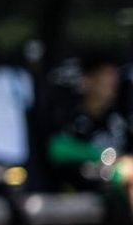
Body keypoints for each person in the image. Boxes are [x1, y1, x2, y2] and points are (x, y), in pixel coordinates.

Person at [48, 57, 133, 212]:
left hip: (115, 183)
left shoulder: (117, 119)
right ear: (88, 81)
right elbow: (57, 149)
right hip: (80, 182)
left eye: (113, 79)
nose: (110, 85)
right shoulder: (73, 116)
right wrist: (103, 156)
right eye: (104, 78)